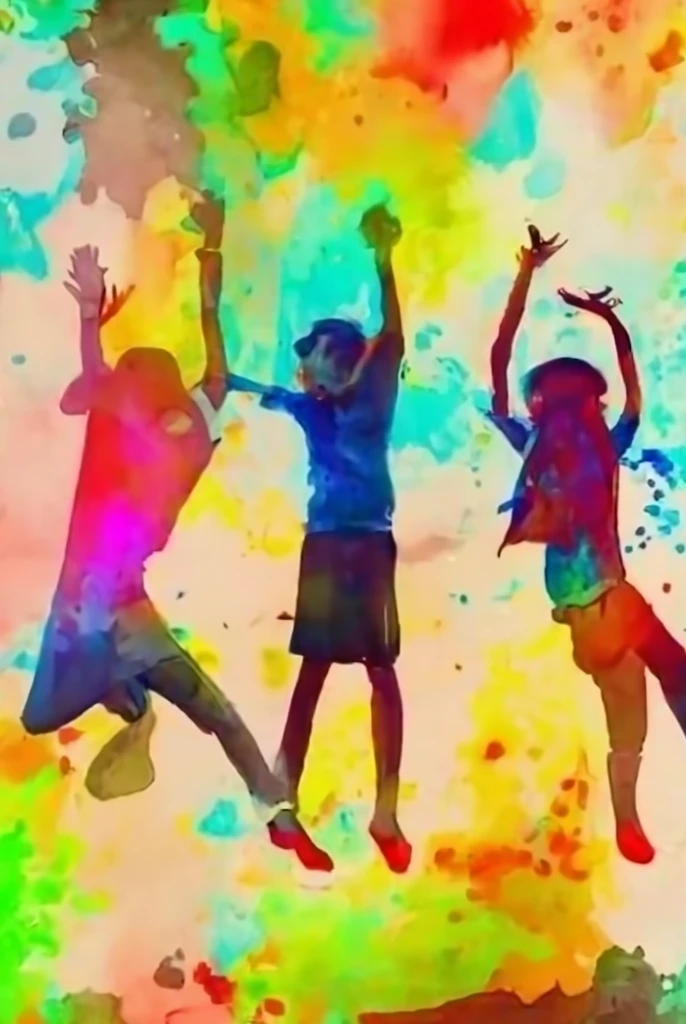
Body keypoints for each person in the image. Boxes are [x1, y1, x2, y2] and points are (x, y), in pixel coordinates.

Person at [22, 194, 333, 873]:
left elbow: (180, 350)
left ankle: (274, 811)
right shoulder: (172, 426)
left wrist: (205, 254)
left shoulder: (160, 426)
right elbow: (131, 374)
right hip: (101, 615)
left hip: (109, 614)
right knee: (48, 717)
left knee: (213, 712)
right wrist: (202, 254)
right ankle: (134, 705)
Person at [485, 226, 686, 866]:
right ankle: (683, 794)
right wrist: (604, 319)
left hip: (608, 602)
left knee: (663, 687)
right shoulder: (586, 448)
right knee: (646, 703)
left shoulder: (563, 447)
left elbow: (500, 364)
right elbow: (626, 390)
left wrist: (534, 279)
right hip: (597, 607)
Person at [227, 203, 411, 874]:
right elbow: (258, 389)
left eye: (319, 358)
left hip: (359, 540)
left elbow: (391, 334)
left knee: (377, 673)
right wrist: (226, 380)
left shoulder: (370, 395)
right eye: (309, 365)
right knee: (326, 674)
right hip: (336, 543)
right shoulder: (314, 406)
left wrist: (385, 258)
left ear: (344, 360)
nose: (309, 372)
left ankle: (382, 808)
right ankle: (287, 801)